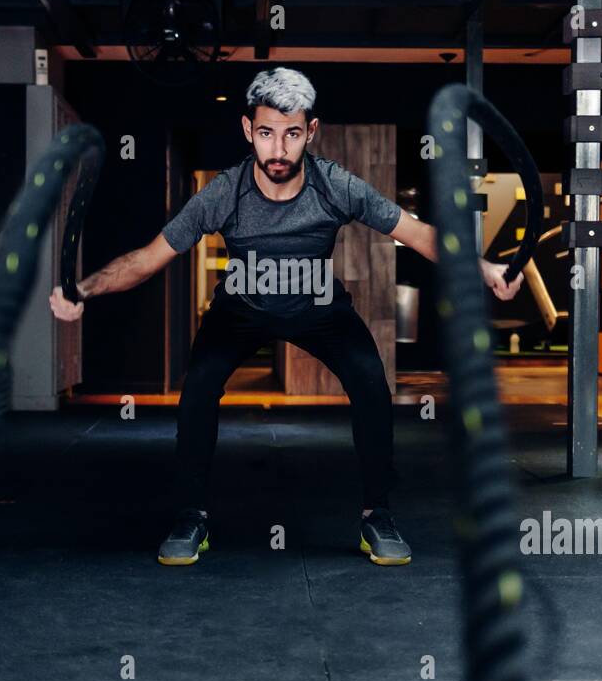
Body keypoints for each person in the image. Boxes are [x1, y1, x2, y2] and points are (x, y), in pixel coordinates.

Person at [50, 67, 523, 567]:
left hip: (318, 305)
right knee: (198, 390)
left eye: (292, 134)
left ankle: (376, 514)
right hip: (240, 306)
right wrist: (84, 288)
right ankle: (191, 515)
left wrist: (484, 267)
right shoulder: (223, 193)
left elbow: (419, 232)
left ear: (310, 132)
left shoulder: (336, 185)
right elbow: (148, 257)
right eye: (267, 133)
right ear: (248, 130)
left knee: (370, 381)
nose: (279, 150)